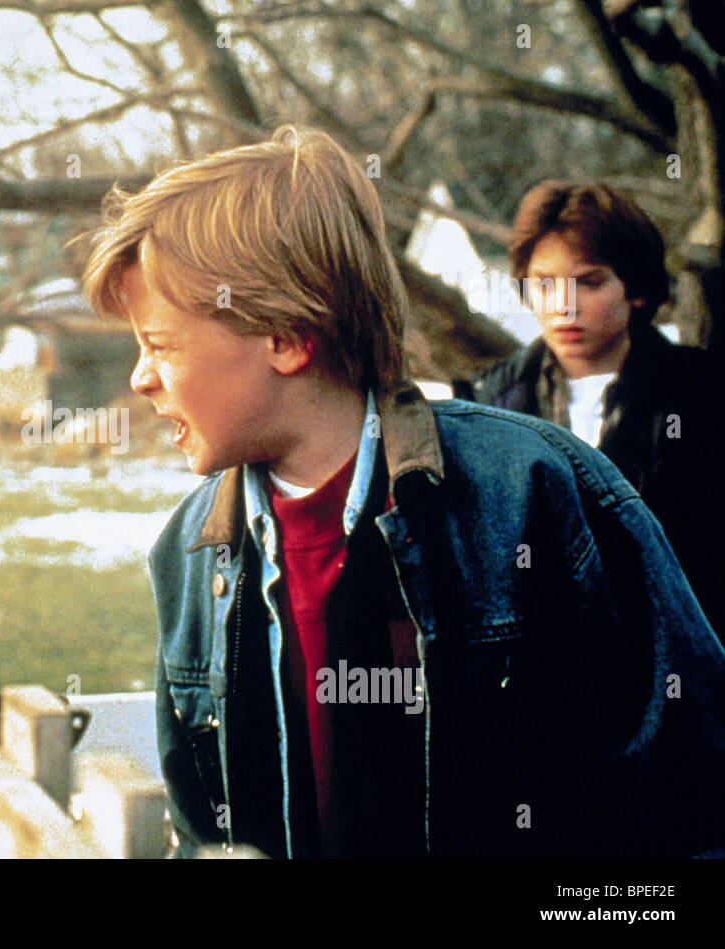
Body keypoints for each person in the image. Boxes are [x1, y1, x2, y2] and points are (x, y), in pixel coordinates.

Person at [80, 126, 725, 858]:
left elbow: (694, 794)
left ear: (287, 337)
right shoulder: (188, 555)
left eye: (159, 345)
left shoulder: (541, 490)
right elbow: (206, 829)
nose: (139, 378)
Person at [454, 181, 725, 637]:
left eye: (589, 282)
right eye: (545, 284)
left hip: (674, 662)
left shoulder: (699, 394)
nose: (563, 306)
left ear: (635, 289)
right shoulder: (485, 404)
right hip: (540, 675)